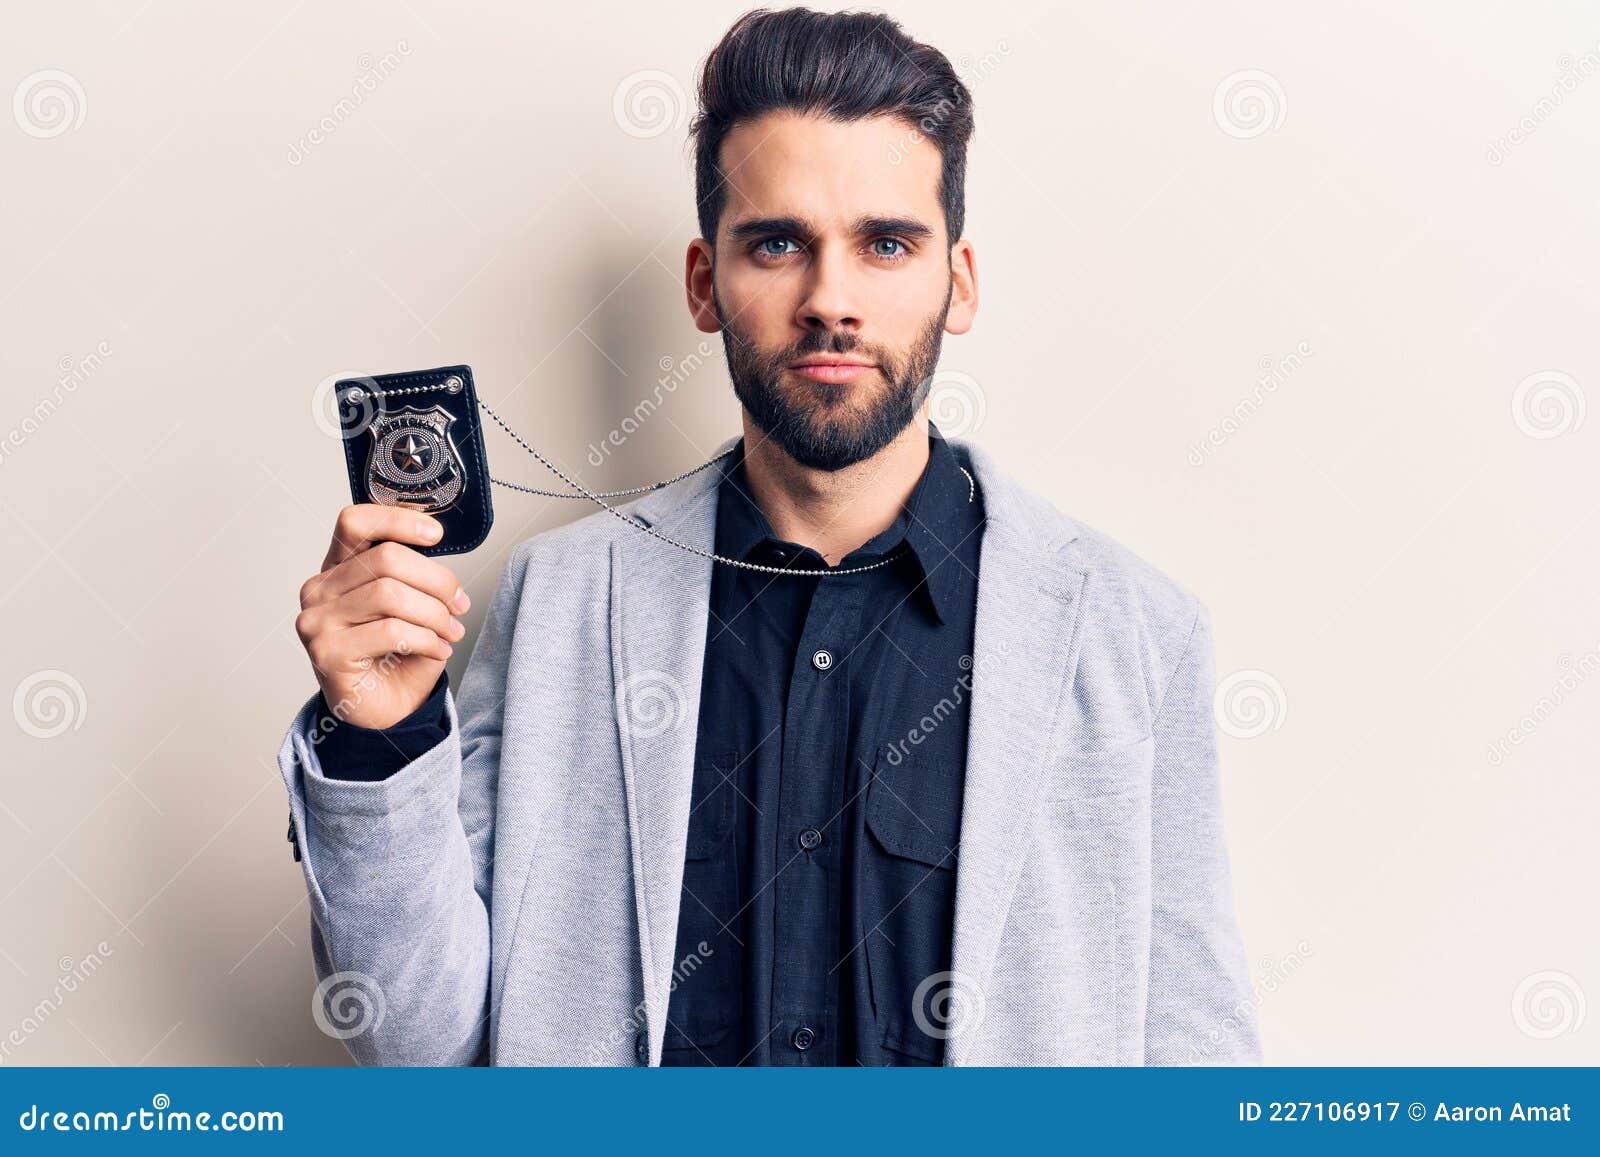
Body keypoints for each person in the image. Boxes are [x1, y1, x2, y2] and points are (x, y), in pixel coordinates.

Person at [278, 6, 1259, 1066]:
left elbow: (1196, 1058)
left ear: (957, 282)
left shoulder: (1130, 632)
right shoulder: (563, 599)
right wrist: (380, 736)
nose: (829, 300)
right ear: (706, 284)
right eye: (777, 243)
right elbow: (417, 1043)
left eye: (885, 243)